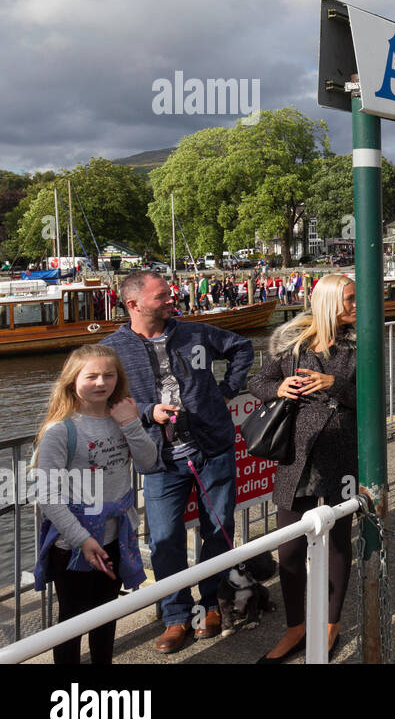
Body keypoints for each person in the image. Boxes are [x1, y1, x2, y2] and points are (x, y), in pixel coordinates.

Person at [100, 271, 253, 653]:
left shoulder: (196, 332)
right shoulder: (111, 351)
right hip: (160, 459)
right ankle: (175, 616)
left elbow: (243, 348)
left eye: (171, 293)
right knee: (165, 539)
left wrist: (225, 391)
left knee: (218, 529)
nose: (173, 300)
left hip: (213, 448)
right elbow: (103, 400)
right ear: (133, 304)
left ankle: (212, 603)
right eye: (162, 296)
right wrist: (150, 412)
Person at [247, 274, 358, 663]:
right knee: (290, 548)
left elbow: (372, 397)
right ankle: (296, 628)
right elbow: (257, 381)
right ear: (328, 301)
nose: (356, 305)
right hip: (297, 452)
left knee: (339, 542)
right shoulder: (291, 342)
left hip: (343, 449)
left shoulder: (362, 343)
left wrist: (335, 385)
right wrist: (278, 389)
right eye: (349, 299)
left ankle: (330, 626)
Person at [32, 345, 158, 664]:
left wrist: (131, 424)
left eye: (109, 375)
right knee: (72, 624)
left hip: (116, 537)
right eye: (91, 376)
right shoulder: (61, 430)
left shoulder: (121, 418)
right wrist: (83, 540)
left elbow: (148, 462)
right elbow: (48, 494)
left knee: (106, 616)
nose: (101, 382)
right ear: (73, 380)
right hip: (74, 544)